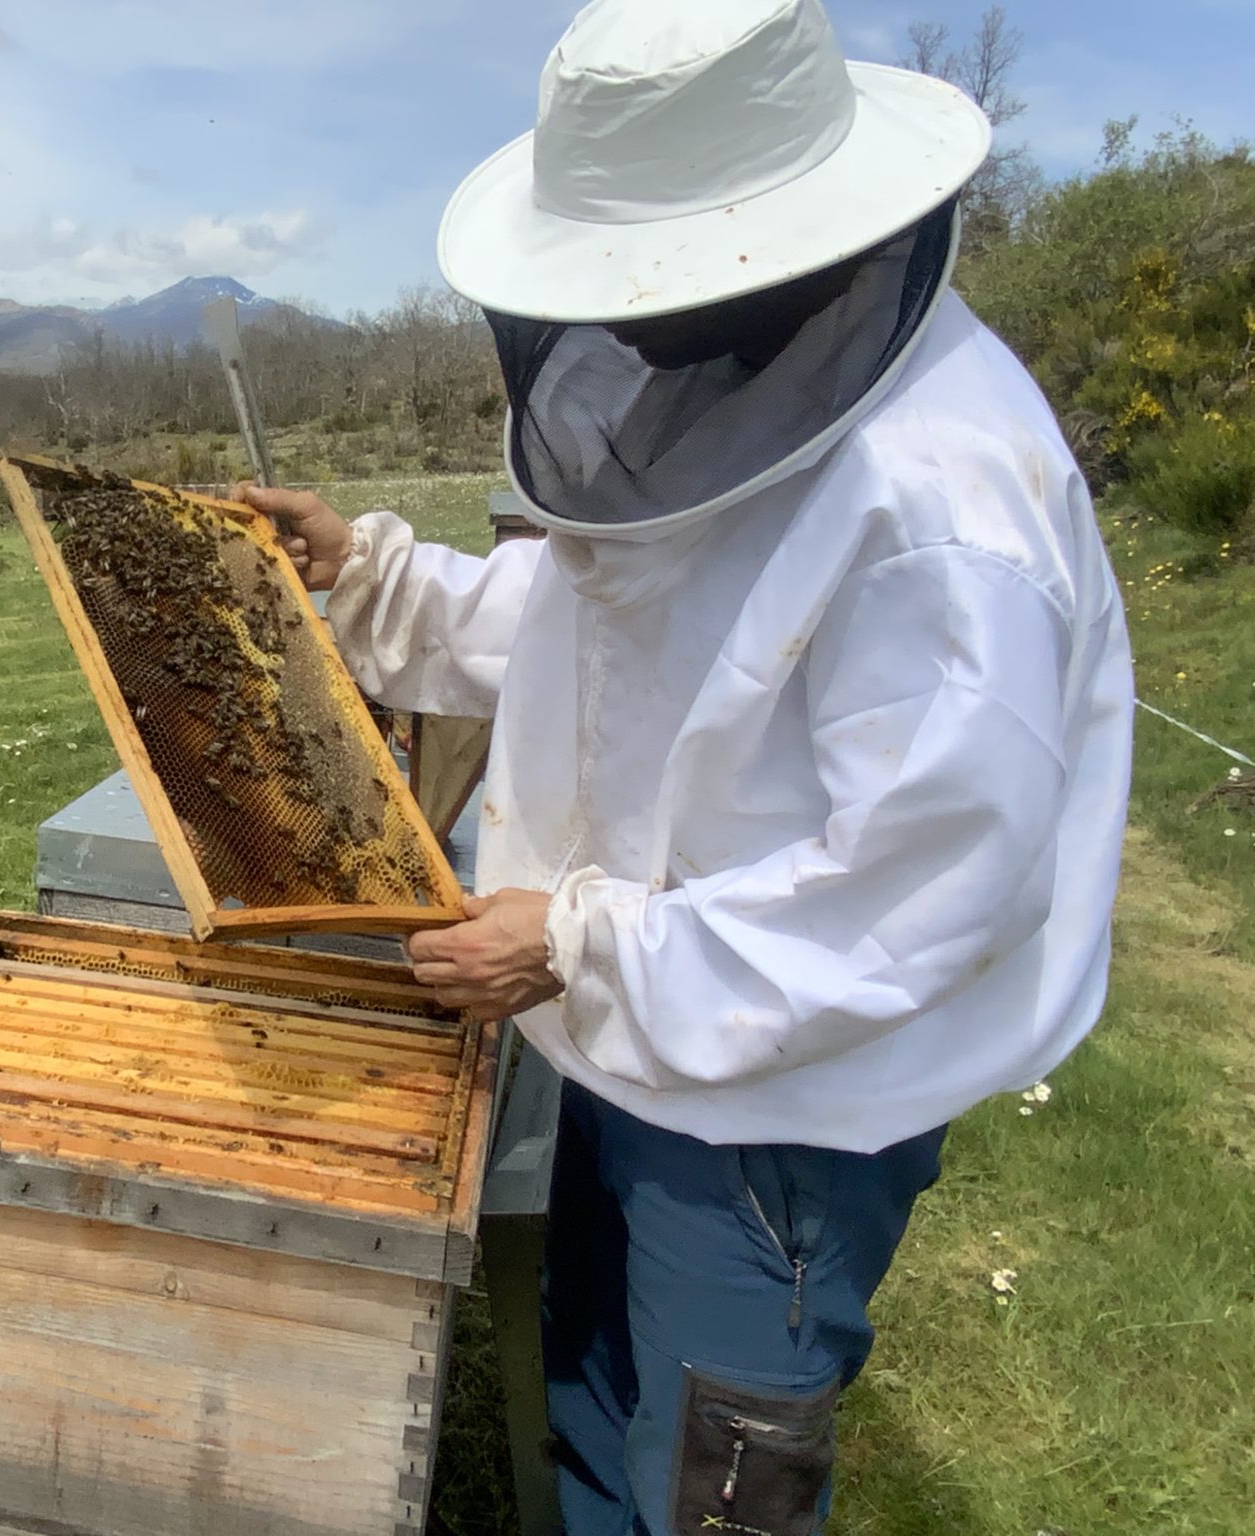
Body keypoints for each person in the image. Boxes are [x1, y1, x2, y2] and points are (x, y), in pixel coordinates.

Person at [240, 1, 1134, 1532]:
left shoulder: (942, 511)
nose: (623, 318)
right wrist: (373, 581)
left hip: (785, 1111)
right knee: (597, 1415)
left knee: (712, 1491)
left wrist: (577, 937)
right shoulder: (727, 372)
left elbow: (913, 899)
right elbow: (608, 622)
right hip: (633, 1038)